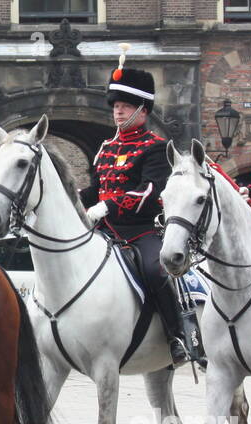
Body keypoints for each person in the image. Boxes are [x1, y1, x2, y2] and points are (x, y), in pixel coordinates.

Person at [79, 62, 190, 365]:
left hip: (139, 231)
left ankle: (177, 335)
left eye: (126, 106)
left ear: (142, 111)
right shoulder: (106, 148)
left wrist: (109, 206)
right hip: (103, 230)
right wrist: (75, 199)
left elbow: (150, 191)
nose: (118, 111)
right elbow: (96, 189)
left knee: (157, 272)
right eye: (116, 105)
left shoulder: (154, 147)